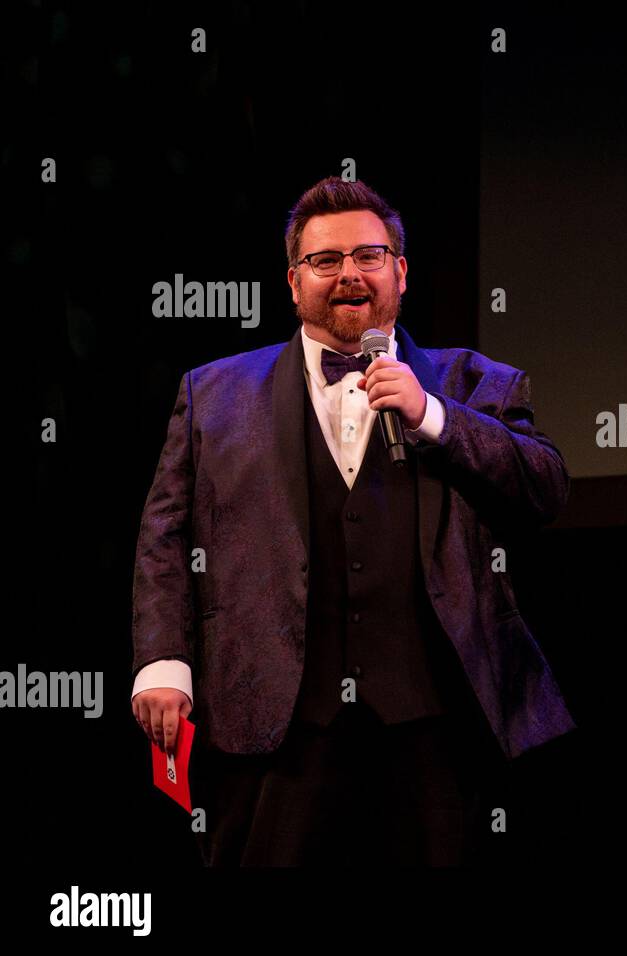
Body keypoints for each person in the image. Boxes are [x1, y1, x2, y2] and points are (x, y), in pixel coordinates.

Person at [129, 177, 576, 865]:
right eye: (325, 261)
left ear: (400, 270)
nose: (348, 276)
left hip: (438, 725)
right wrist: (164, 661)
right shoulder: (213, 393)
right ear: (292, 281)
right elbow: (166, 536)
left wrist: (433, 417)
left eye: (368, 256)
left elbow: (544, 490)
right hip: (274, 723)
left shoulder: (475, 384)